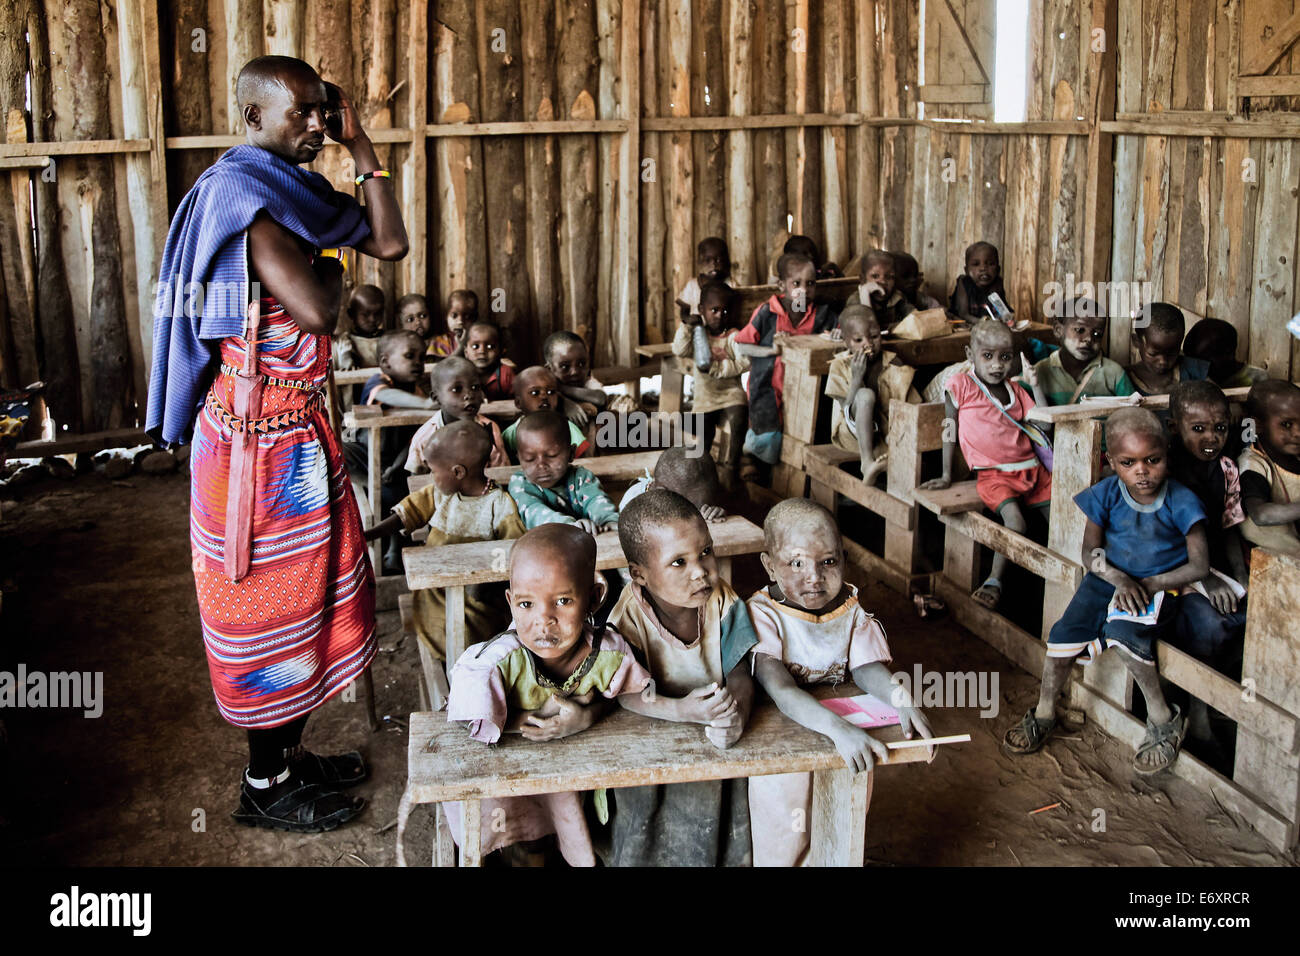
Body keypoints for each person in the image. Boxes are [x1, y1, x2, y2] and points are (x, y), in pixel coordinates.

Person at [145, 54, 407, 831]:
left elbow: (387, 249)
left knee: (311, 603)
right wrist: (329, 260)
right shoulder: (245, 201)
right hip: (255, 454)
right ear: (254, 118)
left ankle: (287, 757)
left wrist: (364, 154)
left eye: (326, 112)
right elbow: (328, 310)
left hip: (296, 434)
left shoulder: (292, 195)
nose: (319, 125)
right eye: (304, 114)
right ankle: (263, 787)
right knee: (267, 615)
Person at [1004, 408, 1209, 775]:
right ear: (1111, 462)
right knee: (1063, 635)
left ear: (1167, 455)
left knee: (1124, 631)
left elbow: (1199, 566)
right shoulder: (1105, 494)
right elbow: (1090, 553)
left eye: (1153, 460)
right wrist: (1117, 578)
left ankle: (1163, 718)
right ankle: (1045, 711)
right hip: (1109, 577)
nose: (1142, 471)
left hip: (1160, 585)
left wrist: (1149, 583)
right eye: (1128, 463)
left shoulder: (1182, 500)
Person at [444, 523, 653, 865]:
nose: (544, 621)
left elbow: (631, 693)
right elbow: (467, 714)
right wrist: (531, 719)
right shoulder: (495, 660)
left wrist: (588, 716)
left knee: (557, 831)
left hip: (563, 781)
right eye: (527, 604)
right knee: (510, 836)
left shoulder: (607, 651)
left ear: (594, 598)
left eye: (563, 601)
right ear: (510, 601)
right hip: (502, 782)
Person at [748, 498, 933, 866]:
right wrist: (839, 730)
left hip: (841, 727)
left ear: (843, 559)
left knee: (842, 816)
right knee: (787, 828)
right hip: (782, 734)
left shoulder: (849, 607)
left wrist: (902, 700)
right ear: (770, 566)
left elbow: (866, 668)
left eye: (828, 562)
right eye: (796, 563)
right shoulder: (763, 613)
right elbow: (782, 690)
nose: (814, 576)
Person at [605, 490, 758, 866]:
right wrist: (681, 710)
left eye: (705, 552)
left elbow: (740, 669)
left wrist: (736, 713)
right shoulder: (627, 619)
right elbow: (628, 692)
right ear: (638, 573)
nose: (700, 571)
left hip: (714, 733)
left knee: (723, 825)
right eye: (678, 562)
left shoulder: (723, 600)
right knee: (650, 831)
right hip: (653, 737)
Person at [365, 419, 524, 662]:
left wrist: (482, 583)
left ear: (458, 472)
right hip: (436, 589)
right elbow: (407, 513)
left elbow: (513, 552)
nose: (431, 477)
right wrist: (369, 535)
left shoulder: (499, 504)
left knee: (469, 636)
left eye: (433, 471)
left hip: (474, 598)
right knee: (437, 623)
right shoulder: (441, 494)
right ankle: (446, 659)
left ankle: (465, 665)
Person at [921, 320, 1051, 609]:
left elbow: (1044, 426)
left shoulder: (1017, 390)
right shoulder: (961, 385)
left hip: (1033, 469)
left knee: (1063, 522)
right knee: (1017, 522)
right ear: (970, 354)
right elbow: (949, 429)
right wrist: (945, 473)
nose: (997, 365)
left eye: (1005, 357)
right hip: (994, 477)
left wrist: (1037, 385)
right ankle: (995, 581)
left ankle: (1061, 590)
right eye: (987, 356)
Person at [1166, 380, 1248, 764]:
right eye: (1198, 429)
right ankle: (1196, 715)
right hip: (1173, 572)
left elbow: (1230, 527)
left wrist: (1240, 574)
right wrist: (1205, 579)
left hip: (1213, 565)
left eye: (1220, 427)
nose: (1211, 437)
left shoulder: (1227, 467)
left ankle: (1229, 702)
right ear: (1174, 426)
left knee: (1250, 615)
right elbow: (1163, 542)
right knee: (1209, 625)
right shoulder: (1162, 471)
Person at [733, 252, 840, 480]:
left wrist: (837, 334)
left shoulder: (821, 314)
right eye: (796, 283)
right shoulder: (767, 312)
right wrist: (770, 350)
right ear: (782, 284)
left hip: (806, 390)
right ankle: (753, 463)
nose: (804, 290)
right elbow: (742, 346)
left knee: (812, 430)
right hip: (768, 385)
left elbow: (840, 331)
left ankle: (805, 479)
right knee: (768, 434)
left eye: (810, 283)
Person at [824, 303, 921, 486]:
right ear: (846, 342)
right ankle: (866, 462)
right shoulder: (840, 365)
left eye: (874, 336)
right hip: (852, 432)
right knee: (865, 395)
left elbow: (910, 401)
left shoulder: (893, 362)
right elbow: (845, 408)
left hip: (885, 432)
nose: (868, 344)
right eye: (858, 340)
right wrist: (856, 378)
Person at [673, 281, 749, 490]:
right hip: (705, 395)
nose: (720, 315)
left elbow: (744, 362)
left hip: (730, 392)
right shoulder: (699, 336)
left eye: (725, 310)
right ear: (702, 310)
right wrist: (687, 325)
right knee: (703, 435)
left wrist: (718, 369)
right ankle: (703, 472)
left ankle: (731, 466)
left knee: (739, 417)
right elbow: (679, 350)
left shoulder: (733, 336)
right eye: (714, 310)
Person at [508, 410, 619, 533]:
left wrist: (609, 521)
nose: (541, 465)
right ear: (519, 458)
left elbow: (596, 501)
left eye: (551, 455)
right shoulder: (520, 483)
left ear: (571, 454)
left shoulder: (581, 477)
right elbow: (534, 512)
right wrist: (569, 526)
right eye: (529, 459)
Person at [403, 356, 510, 474]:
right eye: (457, 389)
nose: (468, 395)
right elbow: (416, 481)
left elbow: (502, 472)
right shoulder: (425, 437)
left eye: (475, 387)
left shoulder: (489, 427)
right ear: (436, 398)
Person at [1237, 379, 1300, 556]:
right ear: (1258, 425)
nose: (1298, 433)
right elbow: (1261, 515)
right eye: (1287, 424)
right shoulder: (1253, 464)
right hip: (1269, 555)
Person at [1032, 300, 1135, 407]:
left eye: (1097, 334)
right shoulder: (1039, 371)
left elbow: (1134, 413)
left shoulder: (1114, 373)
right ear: (1058, 330)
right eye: (1080, 330)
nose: (1089, 338)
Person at [619, 444, 730, 522]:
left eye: (706, 505)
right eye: (692, 508)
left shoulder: (692, 494)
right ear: (661, 493)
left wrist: (715, 514)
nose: (699, 513)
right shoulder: (632, 505)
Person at [502, 366, 592, 460]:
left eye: (551, 392)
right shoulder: (510, 434)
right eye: (535, 393)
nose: (544, 396)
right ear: (518, 403)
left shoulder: (567, 428)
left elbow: (584, 462)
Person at [1124, 302, 1210, 398]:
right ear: (1136, 341)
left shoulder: (1193, 370)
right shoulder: (1123, 378)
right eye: (1153, 354)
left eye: (1172, 353)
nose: (1163, 361)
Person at [543, 330, 609, 428]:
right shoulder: (543, 385)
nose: (575, 372)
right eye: (565, 366)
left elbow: (601, 399)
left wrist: (562, 388)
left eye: (581, 364)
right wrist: (565, 403)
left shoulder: (587, 381)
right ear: (549, 369)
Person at [1182, 318, 1267, 390]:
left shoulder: (1257, 380)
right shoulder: (1191, 373)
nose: (1196, 366)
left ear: (1229, 354)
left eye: (1202, 360)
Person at [847, 249, 914, 332]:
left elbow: (915, 319)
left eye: (889, 277)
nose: (883, 282)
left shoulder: (897, 297)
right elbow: (867, 329)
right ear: (863, 279)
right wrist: (865, 294)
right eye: (875, 276)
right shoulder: (856, 300)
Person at [949, 241, 1011, 323]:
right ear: (966, 270)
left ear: (998, 270)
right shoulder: (964, 283)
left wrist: (1008, 318)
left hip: (990, 325)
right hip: (966, 324)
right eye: (976, 264)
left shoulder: (997, 283)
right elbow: (963, 313)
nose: (983, 268)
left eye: (990, 264)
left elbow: (1002, 311)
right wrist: (982, 322)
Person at [675, 236, 734, 319]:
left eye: (718, 260)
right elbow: (684, 311)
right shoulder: (692, 286)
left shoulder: (730, 284)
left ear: (726, 261)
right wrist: (688, 319)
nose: (713, 264)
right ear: (699, 262)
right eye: (708, 260)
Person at [333, 284, 385, 371]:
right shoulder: (346, 340)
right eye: (365, 315)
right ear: (351, 314)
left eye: (378, 313)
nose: (372, 319)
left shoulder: (388, 339)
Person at [461, 319, 516, 401]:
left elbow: (518, 400)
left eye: (490, 346)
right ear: (466, 352)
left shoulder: (506, 374)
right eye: (475, 346)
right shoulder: (461, 374)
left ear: (500, 351)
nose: (482, 351)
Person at [429, 289, 476, 357]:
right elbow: (438, 366)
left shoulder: (478, 341)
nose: (460, 321)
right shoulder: (439, 342)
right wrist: (460, 348)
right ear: (446, 315)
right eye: (454, 315)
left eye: (467, 317)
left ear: (475, 318)